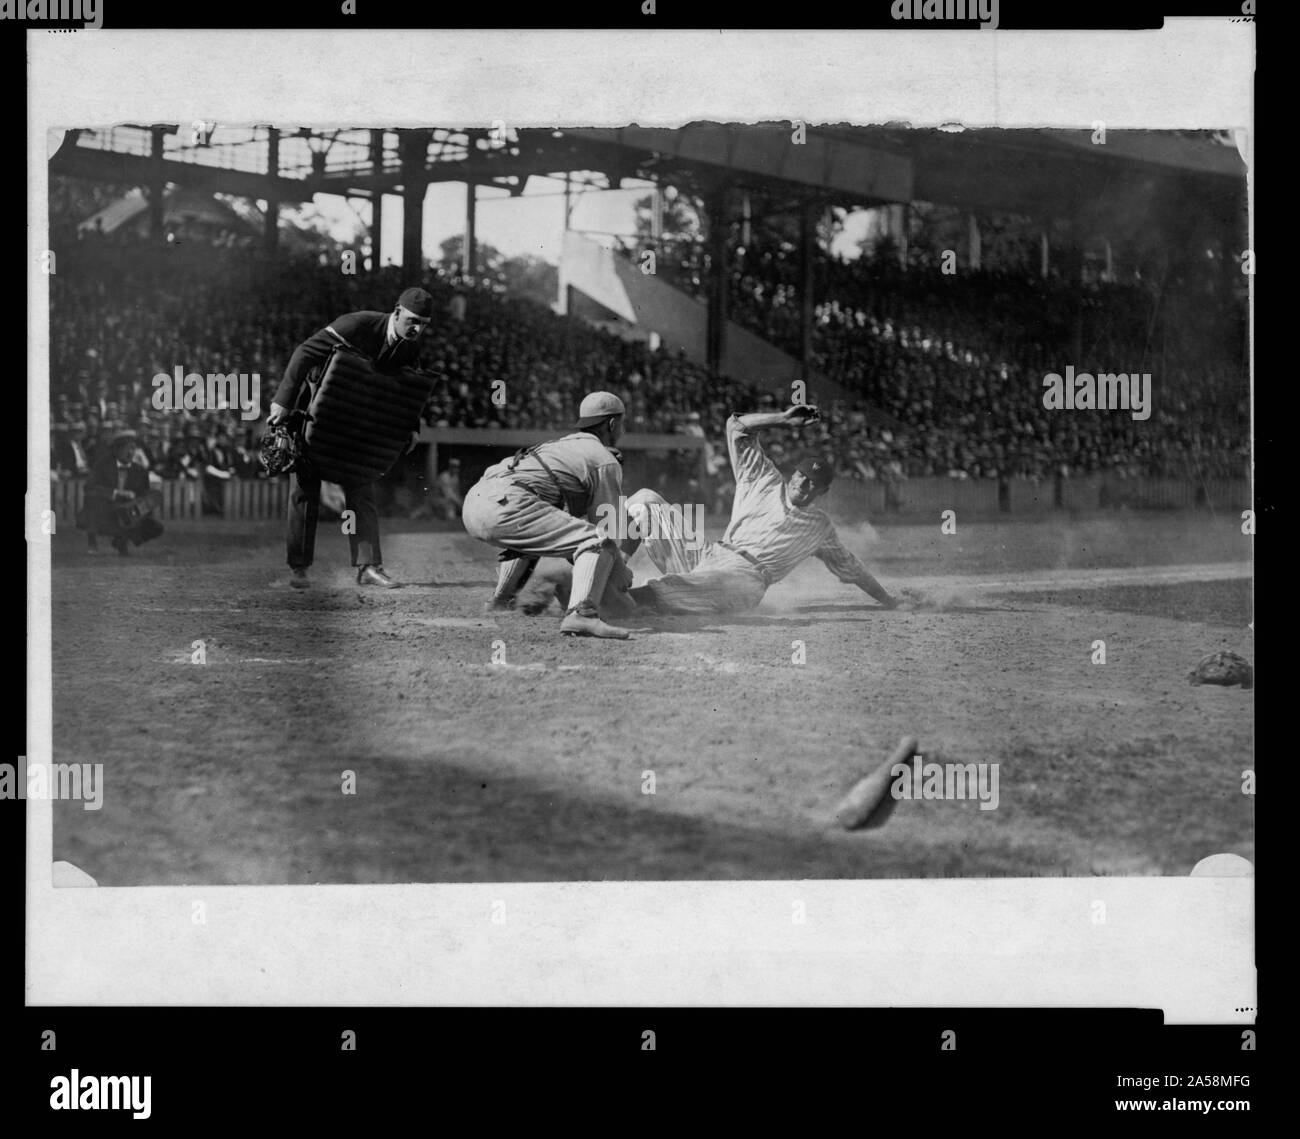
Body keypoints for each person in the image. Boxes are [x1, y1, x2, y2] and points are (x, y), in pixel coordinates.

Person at [593, 404, 896, 617]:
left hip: (746, 579)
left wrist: (888, 600)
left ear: (822, 491)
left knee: (697, 586)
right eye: (802, 476)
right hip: (707, 554)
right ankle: (614, 571)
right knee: (645, 500)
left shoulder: (820, 527)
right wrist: (783, 419)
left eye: (812, 484)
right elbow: (737, 426)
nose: (802, 485)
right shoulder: (764, 479)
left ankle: (617, 603)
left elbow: (852, 568)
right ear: (794, 473)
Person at [267, 286, 434, 589]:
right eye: (412, 320)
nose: (417, 328)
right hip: (314, 412)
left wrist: (412, 427)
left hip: (356, 422)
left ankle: (368, 566)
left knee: (361, 484)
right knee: (305, 487)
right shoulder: (356, 324)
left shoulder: (410, 347)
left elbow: (408, 389)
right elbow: (304, 352)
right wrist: (283, 400)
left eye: (423, 324)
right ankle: (298, 569)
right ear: (396, 312)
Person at [460, 391, 635, 639]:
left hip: (475, 501)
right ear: (612, 424)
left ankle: (500, 601)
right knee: (598, 540)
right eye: (623, 424)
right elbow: (606, 528)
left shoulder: (558, 445)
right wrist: (621, 573)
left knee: (536, 534)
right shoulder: (603, 460)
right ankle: (582, 615)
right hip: (508, 504)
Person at [79, 430, 164, 555]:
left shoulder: (140, 471)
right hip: (105, 508)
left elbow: (145, 496)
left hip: (129, 512)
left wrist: (140, 506)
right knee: (92, 502)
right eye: (127, 448)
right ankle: (92, 542)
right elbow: (89, 488)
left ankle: (122, 540)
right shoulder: (102, 465)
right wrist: (116, 493)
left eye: (133, 448)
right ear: (117, 450)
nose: (130, 452)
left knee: (156, 527)